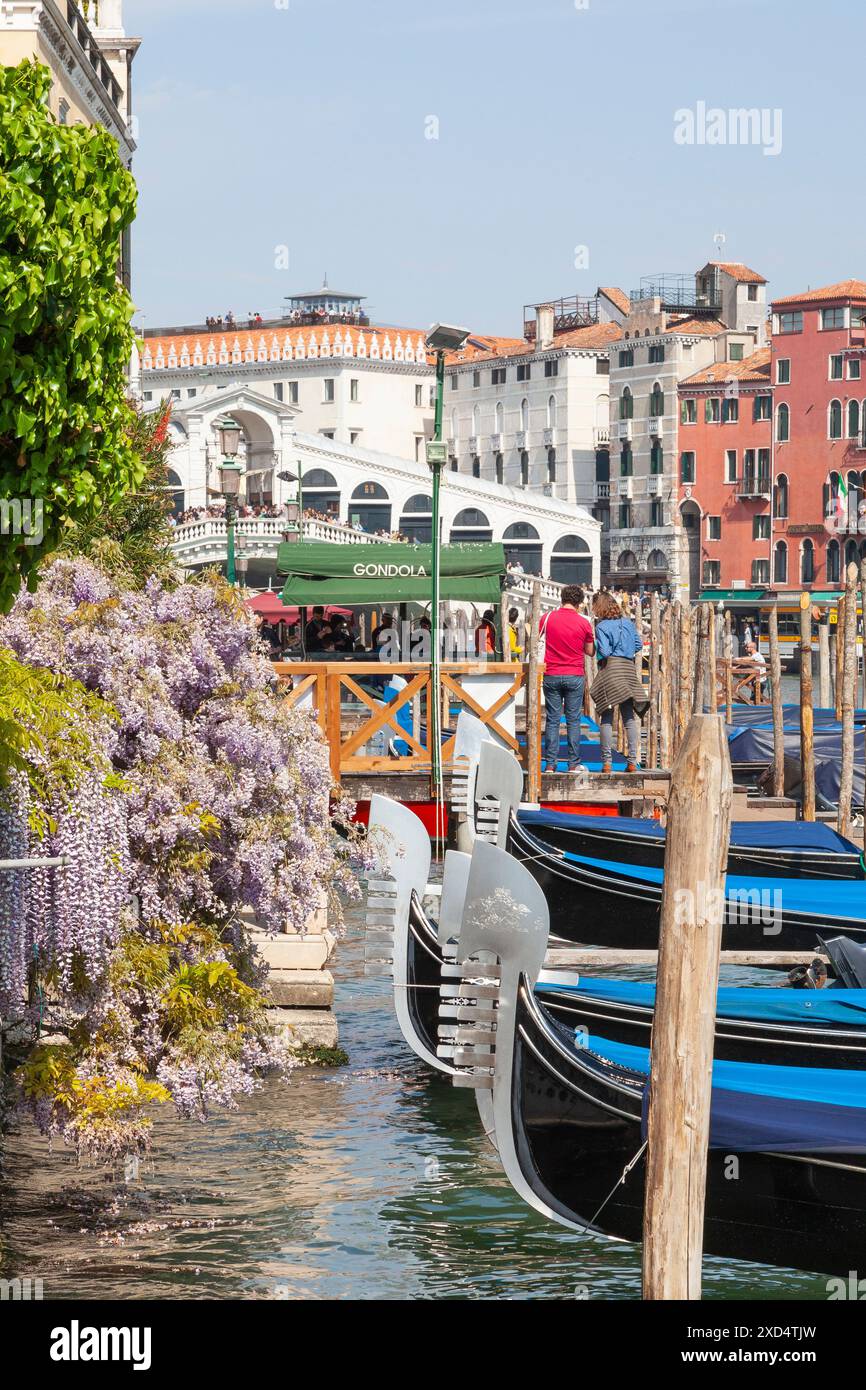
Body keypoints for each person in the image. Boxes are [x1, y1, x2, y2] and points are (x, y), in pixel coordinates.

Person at [589, 591, 649, 774]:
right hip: (628, 669)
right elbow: (638, 645)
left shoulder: (602, 626)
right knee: (628, 717)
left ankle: (607, 763)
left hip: (611, 669)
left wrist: (596, 645)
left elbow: (605, 651)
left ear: (600, 607)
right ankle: (632, 762)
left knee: (606, 716)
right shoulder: (628, 623)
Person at [539, 585, 594, 773]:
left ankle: (550, 764)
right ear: (579, 603)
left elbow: (536, 639)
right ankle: (573, 764)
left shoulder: (547, 618)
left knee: (552, 720)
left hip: (551, 673)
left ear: (561, 599)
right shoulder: (584, 623)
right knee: (573, 721)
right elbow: (590, 651)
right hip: (574, 674)